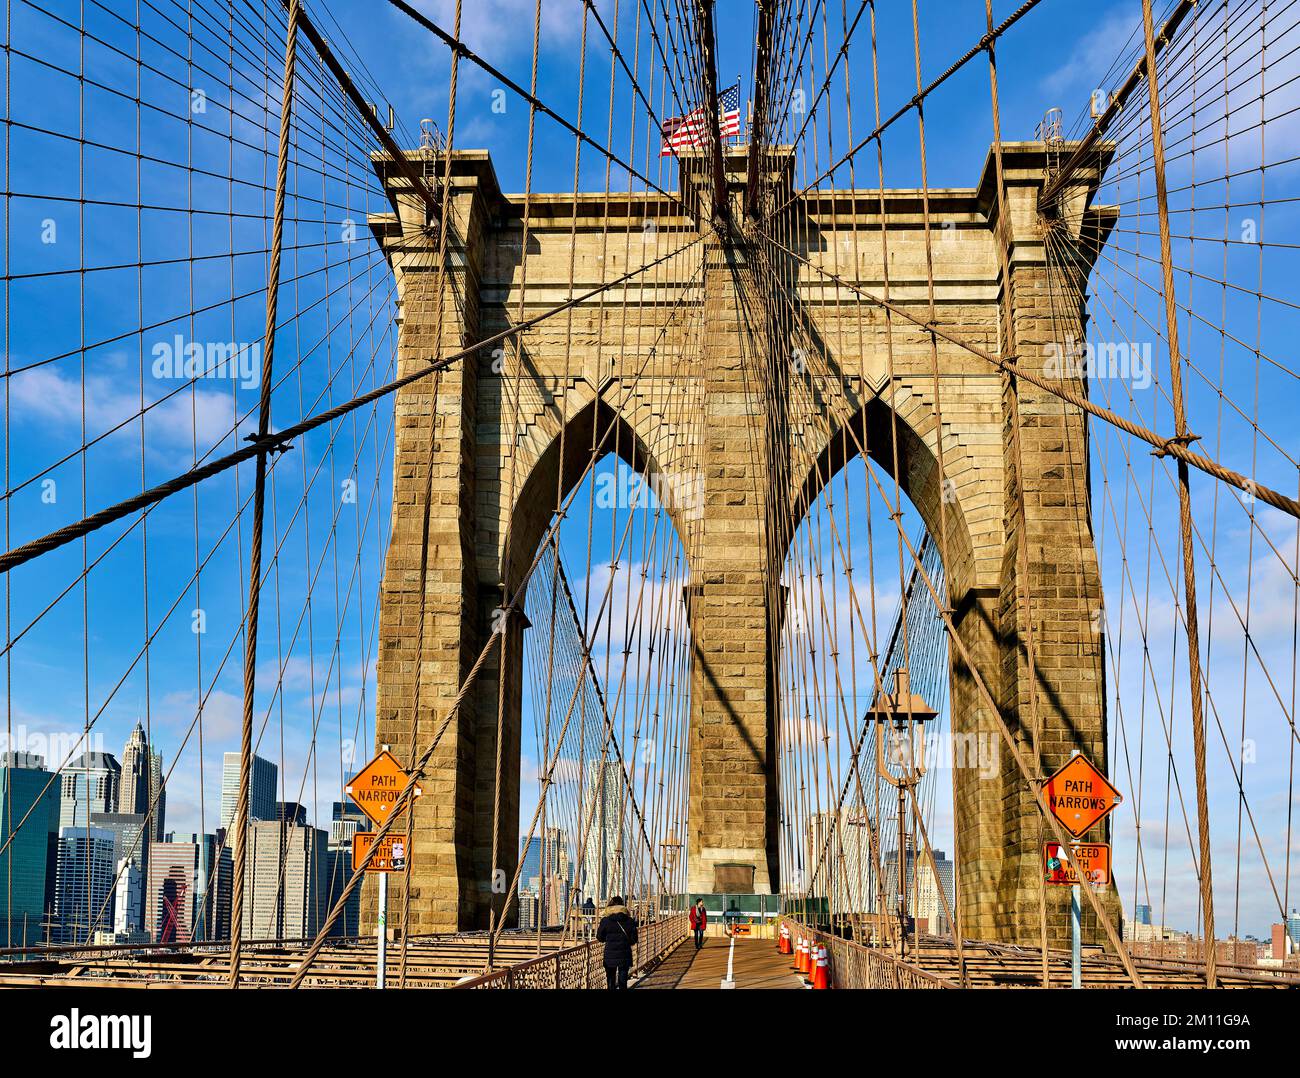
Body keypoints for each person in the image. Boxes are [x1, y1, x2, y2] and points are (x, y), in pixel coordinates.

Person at [595, 896, 638, 989]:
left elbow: (599, 937)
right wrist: (626, 942)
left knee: (610, 981)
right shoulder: (630, 921)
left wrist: (608, 940)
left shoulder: (605, 920)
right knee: (623, 982)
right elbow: (634, 939)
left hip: (610, 954)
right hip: (625, 954)